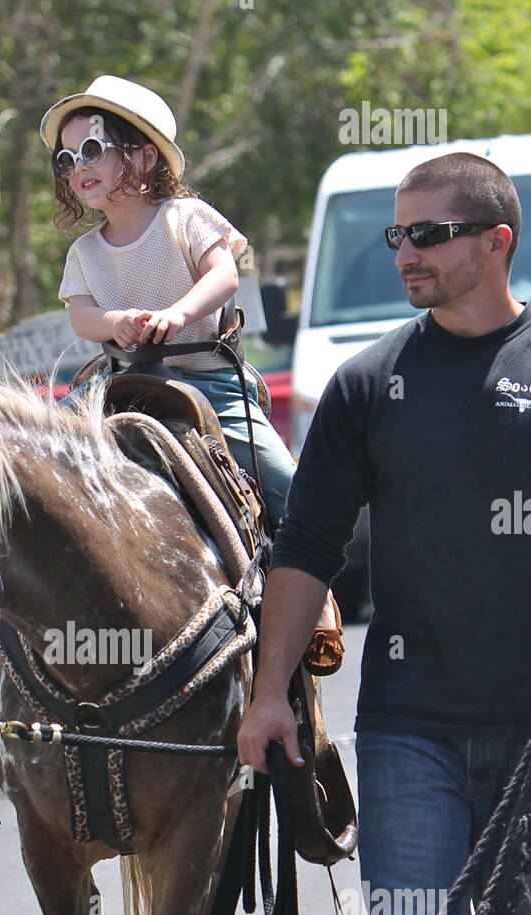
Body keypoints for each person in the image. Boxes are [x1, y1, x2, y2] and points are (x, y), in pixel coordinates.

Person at [237, 150, 531, 915]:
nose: (402, 253)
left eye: (425, 235)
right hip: (408, 722)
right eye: (393, 238)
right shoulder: (367, 384)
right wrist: (269, 695)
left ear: (493, 241)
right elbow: (304, 543)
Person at [39, 74, 341, 665]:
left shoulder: (186, 217)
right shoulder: (85, 253)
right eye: (68, 158)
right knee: (44, 456)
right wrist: (115, 322)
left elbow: (224, 275)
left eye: (94, 150)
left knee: (282, 475)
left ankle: (315, 590)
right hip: (121, 382)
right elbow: (81, 316)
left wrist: (178, 314)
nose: (79, 167)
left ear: (145, 155)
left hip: (204, 377)